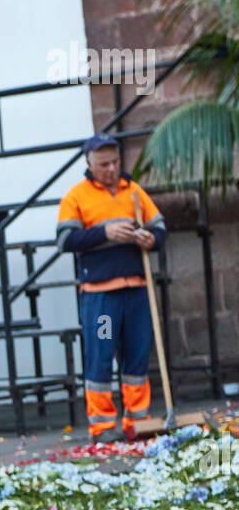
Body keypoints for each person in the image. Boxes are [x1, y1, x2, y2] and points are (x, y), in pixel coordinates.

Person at [57, 133, 166, 441]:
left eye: (115, 161)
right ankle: (102, 426)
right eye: (104, 163)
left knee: (137, 355)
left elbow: (160, 229)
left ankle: (137, 421)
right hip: (100, 295)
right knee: (101, 355)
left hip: (135, 289)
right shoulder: (75, 196)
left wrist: (151, 239)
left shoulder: (134, 191)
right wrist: (105, 233)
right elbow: (65, 240)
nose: (111, 168)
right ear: (89, 163)